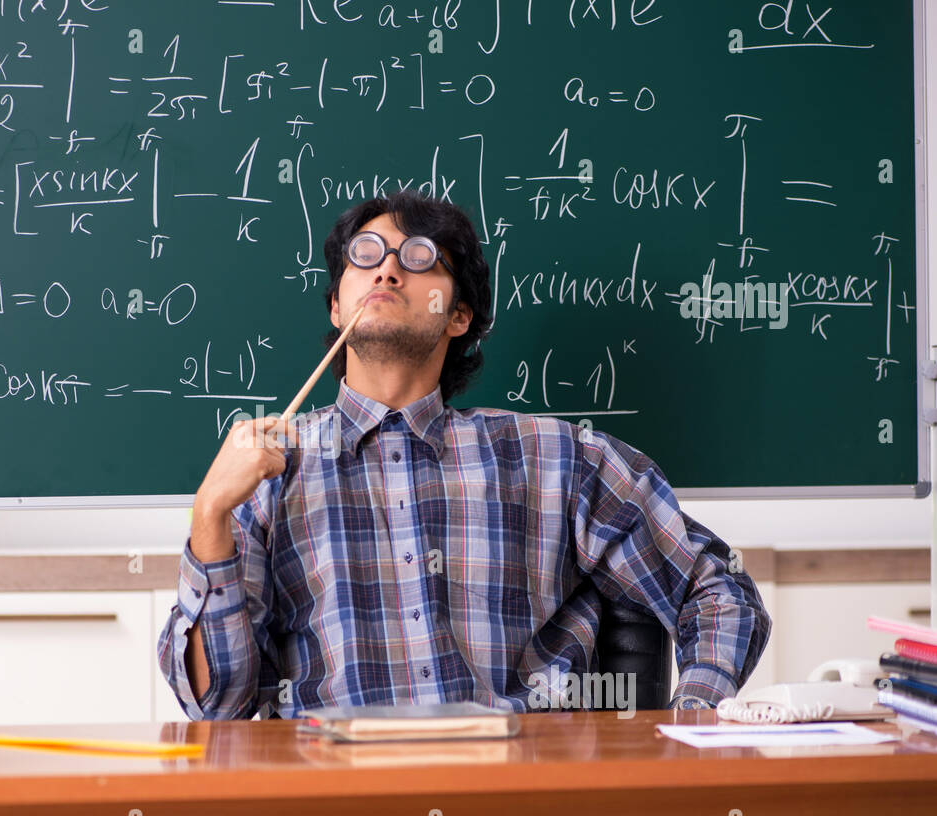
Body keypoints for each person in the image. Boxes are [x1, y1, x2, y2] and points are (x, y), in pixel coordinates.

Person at [157, 190, 770, 720]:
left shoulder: (560, 459)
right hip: (338, 809)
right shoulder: (263, 472)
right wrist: (209, 514)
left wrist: (698, 726)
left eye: (419, 258)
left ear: (457, 317)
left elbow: (718, 587)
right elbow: (217, 705)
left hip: (524, 806)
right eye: (365, 256)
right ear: (337, 306)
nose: (388, 272)